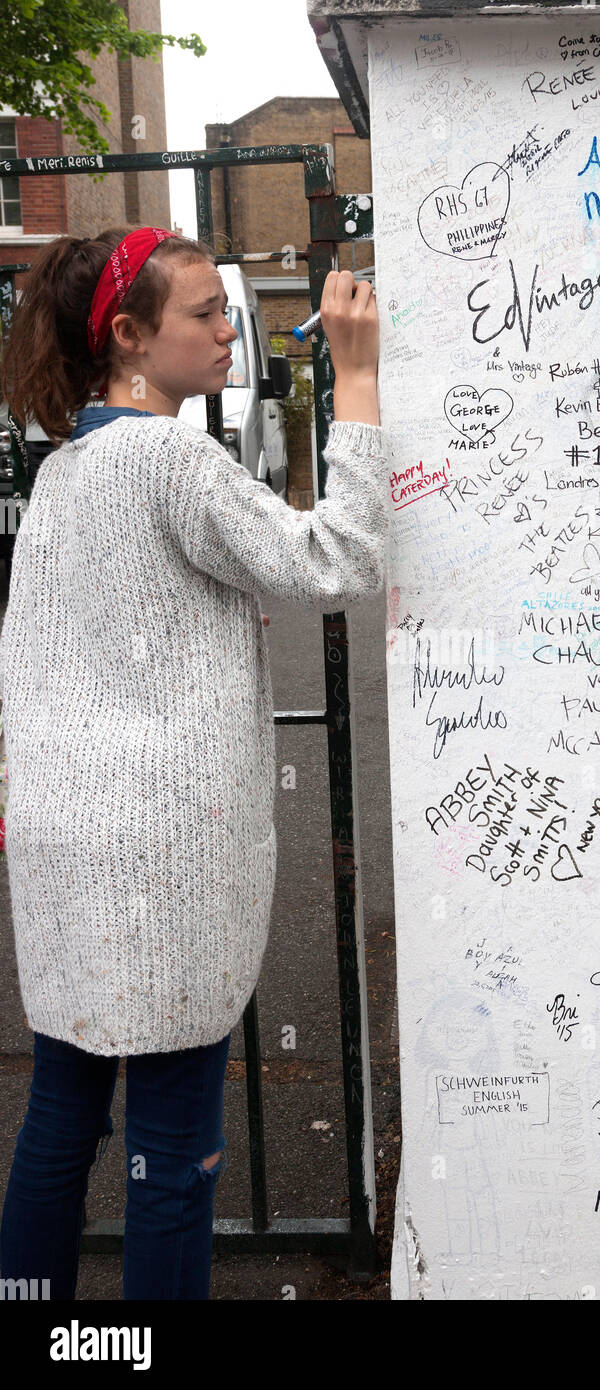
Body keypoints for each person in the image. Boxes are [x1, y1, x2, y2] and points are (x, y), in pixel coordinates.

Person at [0, 225, 387, 1300]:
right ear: (128, 336)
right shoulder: (170, 456)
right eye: (204, 314)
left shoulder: (66, 470)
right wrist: (353, 376)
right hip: (159, 863)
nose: (230, 331)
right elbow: (337, 561)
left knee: (61, 1123)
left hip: (65, 853)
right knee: (172, 1157)